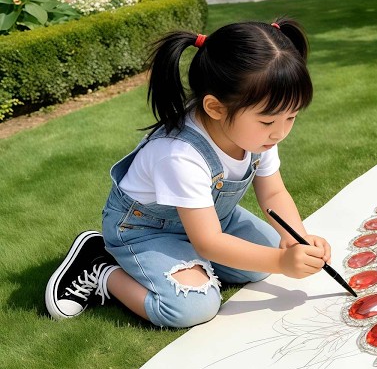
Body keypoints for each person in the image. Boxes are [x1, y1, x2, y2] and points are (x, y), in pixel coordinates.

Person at [44, 19, 332, 328]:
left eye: (291, 117)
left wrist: (296, 238)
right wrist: (281, 262)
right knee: (194, 307)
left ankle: (191, 263)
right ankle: (101, 267)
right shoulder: (180, 154)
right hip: (147, 232)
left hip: (214, 221)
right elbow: (208, 241)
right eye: (268, 121)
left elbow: (273, 192)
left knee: (264, 261)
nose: (280, 132)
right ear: (216, 108)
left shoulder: (259, 135)